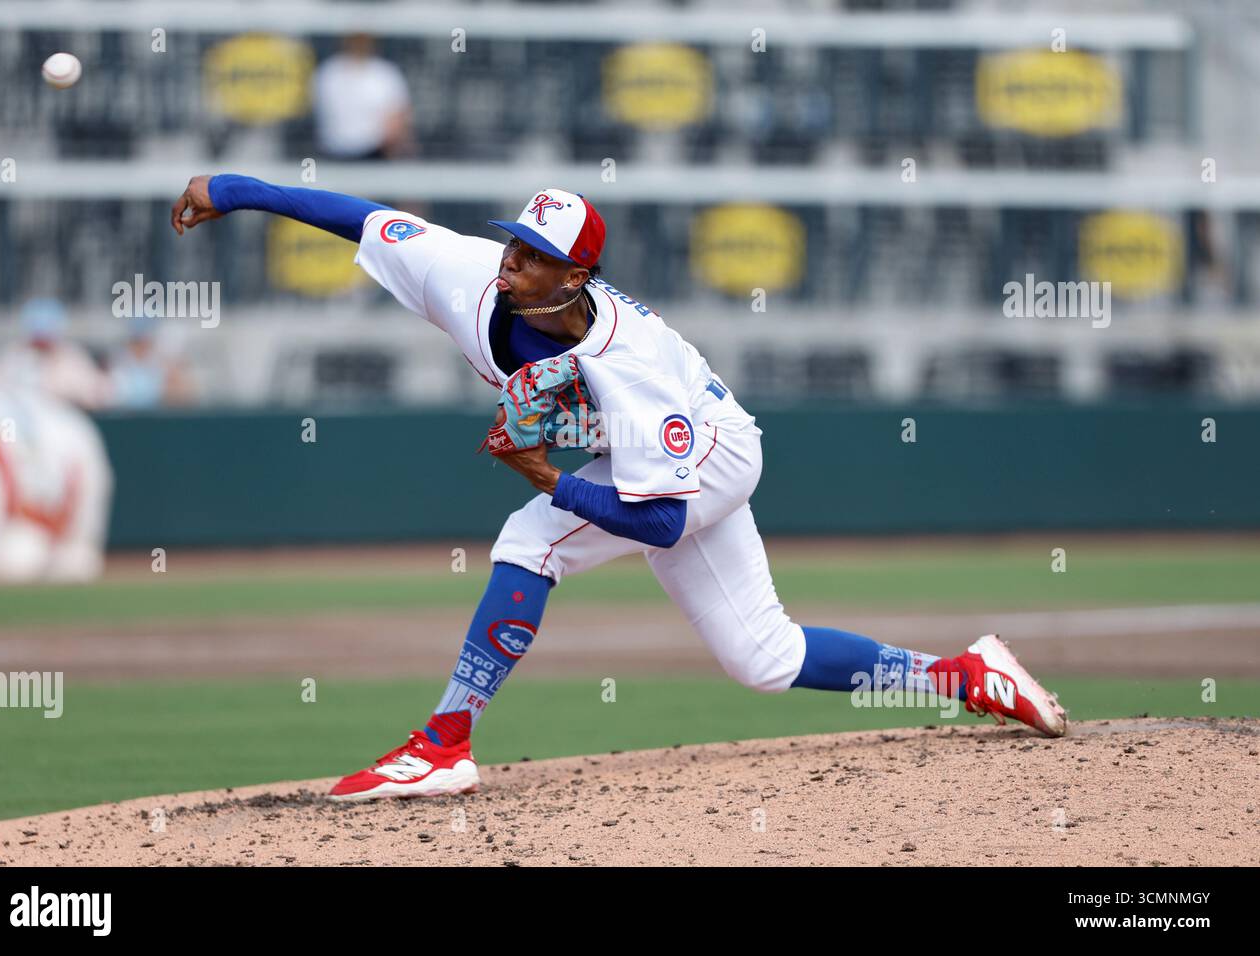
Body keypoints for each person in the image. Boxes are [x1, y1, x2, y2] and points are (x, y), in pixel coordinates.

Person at [170, 173, 1067, 801]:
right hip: (648, 461)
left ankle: (442, 743)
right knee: (765, 660)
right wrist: (235, 188)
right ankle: (966, 674)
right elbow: (360, 217)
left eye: (532, 255)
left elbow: (666, 521)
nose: (510, 262)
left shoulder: (626, 365)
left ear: (577, 276)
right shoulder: (470, 278)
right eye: (514, 243)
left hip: (705, 458)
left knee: (531, 537)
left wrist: (548, 479)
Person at [0, 298, 111, 409]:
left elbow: (94, 396)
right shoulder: (7, 358)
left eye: (46, 337)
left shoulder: (73, 358)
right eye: (38, 337)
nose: (42, 342)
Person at [312, 34, 416, 161]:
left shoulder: (385, 73)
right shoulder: (328, 72)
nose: (359, 44)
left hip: (374, 153)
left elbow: (398, 116)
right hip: (333, 152)